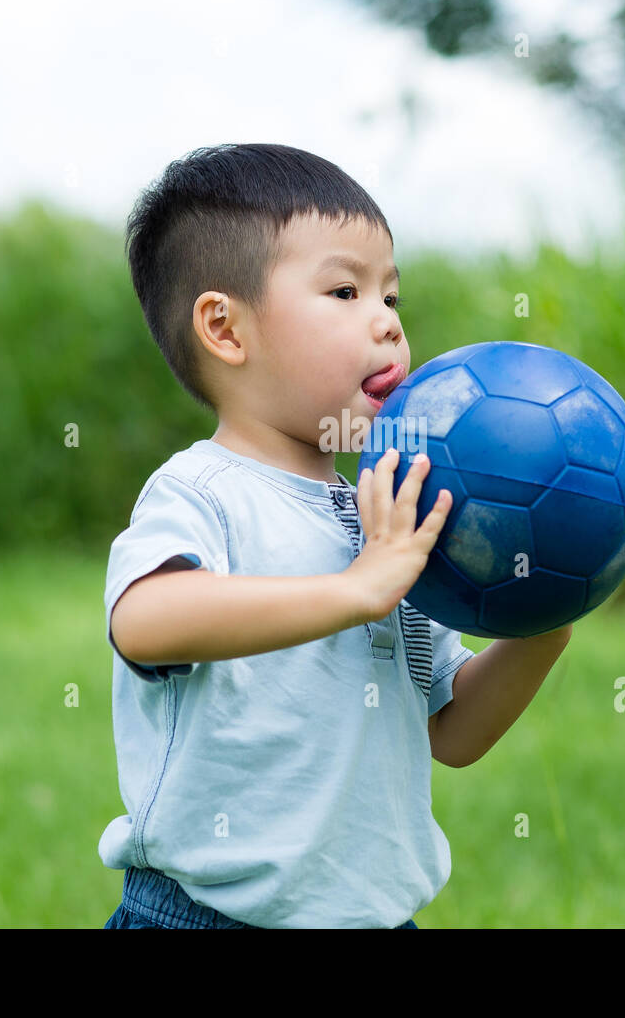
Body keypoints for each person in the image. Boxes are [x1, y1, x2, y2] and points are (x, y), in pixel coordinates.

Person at [100, 143, 572, 929]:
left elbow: (451, 730)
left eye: (392, 296)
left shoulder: (383, 514)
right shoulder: (206, 493)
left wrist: (540, 630)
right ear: (225, 327)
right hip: (208, 918)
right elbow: (145, 622)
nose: (387, 323)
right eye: (346, 290)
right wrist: (355, 590)